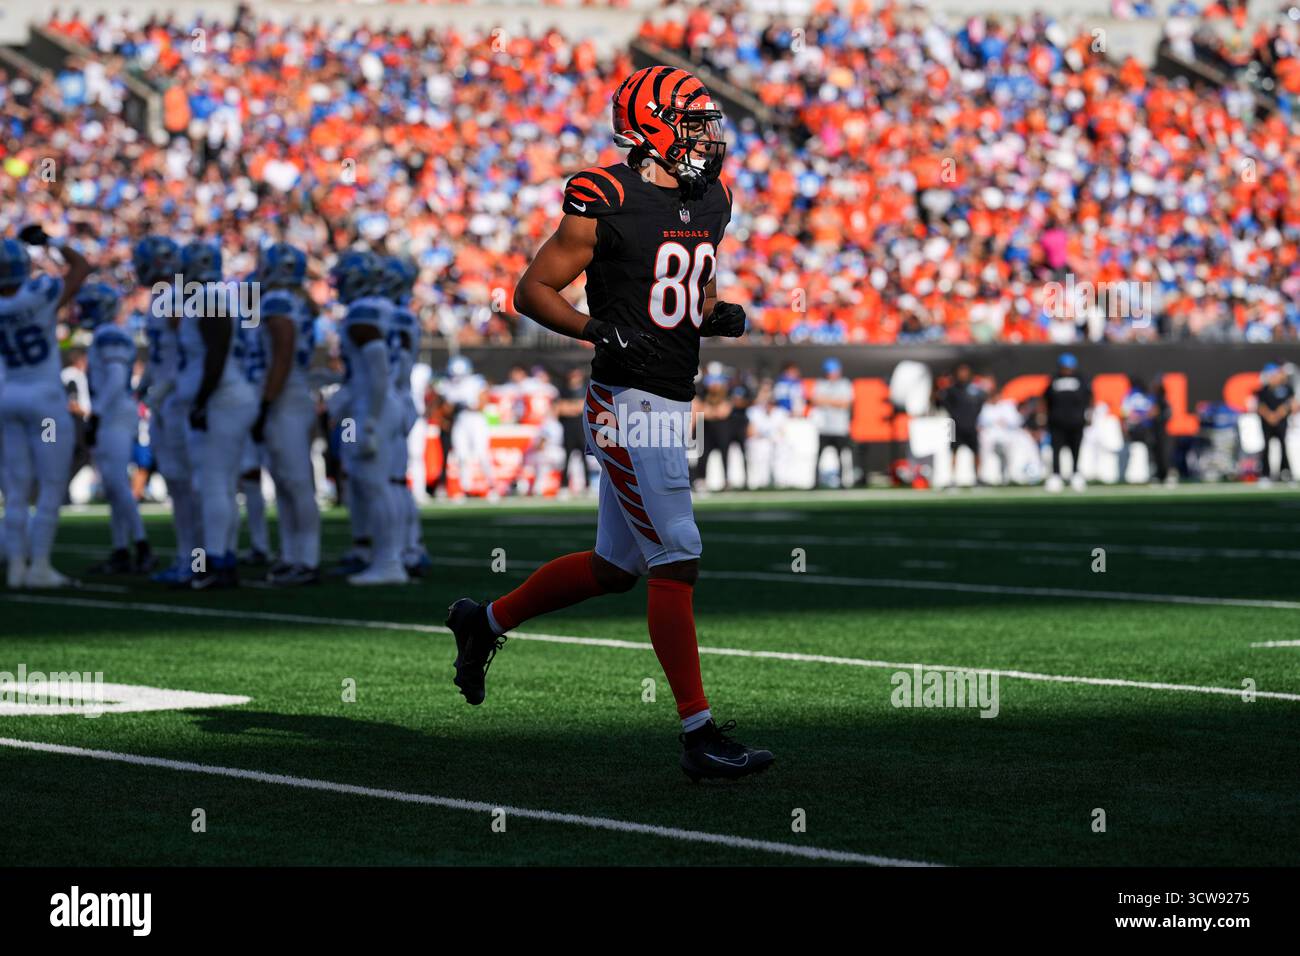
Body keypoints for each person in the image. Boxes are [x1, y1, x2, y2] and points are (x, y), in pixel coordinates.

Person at [445, 65, 773, 781]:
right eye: (692, 125)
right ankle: (698, 735)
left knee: (613, 568)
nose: (708, 140)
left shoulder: (710, 198)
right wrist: (597, 330)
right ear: (650, 127)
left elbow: (688, 286)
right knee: (677, 557)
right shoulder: (605, 197)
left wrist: (711, 315)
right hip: (628, 403)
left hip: (668, 395)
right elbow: (531, 290)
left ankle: (484, 621)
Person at [0, 227, 89, 588]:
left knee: (15, 492)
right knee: (51, 486)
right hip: (44, 398)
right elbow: (80, 268)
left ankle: (16, 568)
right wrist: (48, 242)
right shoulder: (39, 293)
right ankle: (38, 567)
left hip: (8, 398)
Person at [177, 240, 260, 590]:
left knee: (213, 484)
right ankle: (223, 560)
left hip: (223, 397)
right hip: (230, 395)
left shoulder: (209, 298)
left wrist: (200, 400)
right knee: (222, 485)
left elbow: (217, 352)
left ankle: (212, 563)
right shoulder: (218, 296)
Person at [250, 242, 322, 586]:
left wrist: (267, 399)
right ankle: (293, 555)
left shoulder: (279, 301)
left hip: (286, 393)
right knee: (286, 479)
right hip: (293, 391)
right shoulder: (298, 301)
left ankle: (305, 558)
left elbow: (282, 350)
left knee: (294, 480)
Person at [77, 282, 154, 574]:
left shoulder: (109, 334)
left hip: (114, 413)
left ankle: (141, 547)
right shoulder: (107, 334)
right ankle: (122, 549)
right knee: (113, 485)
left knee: (117, 484)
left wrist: (96, 415)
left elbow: (114, 377)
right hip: (115, 411)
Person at [1041, 352, 1091, 491]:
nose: (1066, 370)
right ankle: (1056, 475)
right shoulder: (1054, 380)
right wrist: (1044, 416)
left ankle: (1076, 474)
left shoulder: (1082, 379)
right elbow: (1045, 399)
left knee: (1076, 449)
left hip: (1076, 421)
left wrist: (1088, 415)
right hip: (1057, 421)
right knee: (1056, 450)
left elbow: (1089, 398)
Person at [937, 362, 987, 486]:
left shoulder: (974, 390)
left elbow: (981, 403)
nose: (963, 374)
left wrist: (975, 419)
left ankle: (978, 478)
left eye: (965, 371)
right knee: (954, 452)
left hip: (971, 425)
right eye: (961, 372)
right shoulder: (951, 390)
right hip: (956, 426)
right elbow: (943, 403)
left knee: (976, 452)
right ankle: (952, 479)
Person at [812, 358, 855, 487]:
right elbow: (816, 400)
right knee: (819, 456)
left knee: (841, 456)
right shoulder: (820, 384)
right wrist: (835, 401)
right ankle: (815, 482)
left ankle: (843, 482)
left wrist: (827, 401)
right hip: (824, 427)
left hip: (839, 428)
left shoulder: (845, 384)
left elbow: (846, 403)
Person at [1118, 377, 1169, 483]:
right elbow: (1154, 411)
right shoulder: (1146, 396)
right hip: (1145, 428)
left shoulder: (1131, 396)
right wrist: (1143, 418)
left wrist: (1134, 420)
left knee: (1146, 452)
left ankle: (1146, 474)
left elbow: (1124, 413)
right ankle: (1149, 474)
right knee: (1149, 453)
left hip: (1137, 428)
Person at [1255, 363, 1295, 483]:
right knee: (1266, 446)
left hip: (1281, 422)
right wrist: (1269, 416)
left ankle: (1285, 472)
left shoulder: (1287, 388)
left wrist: (1277, 415)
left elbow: (1290, 403)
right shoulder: (1264, 389)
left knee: (1283, 446)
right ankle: (1265, 474)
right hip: (1267, 423)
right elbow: (1260, 405)